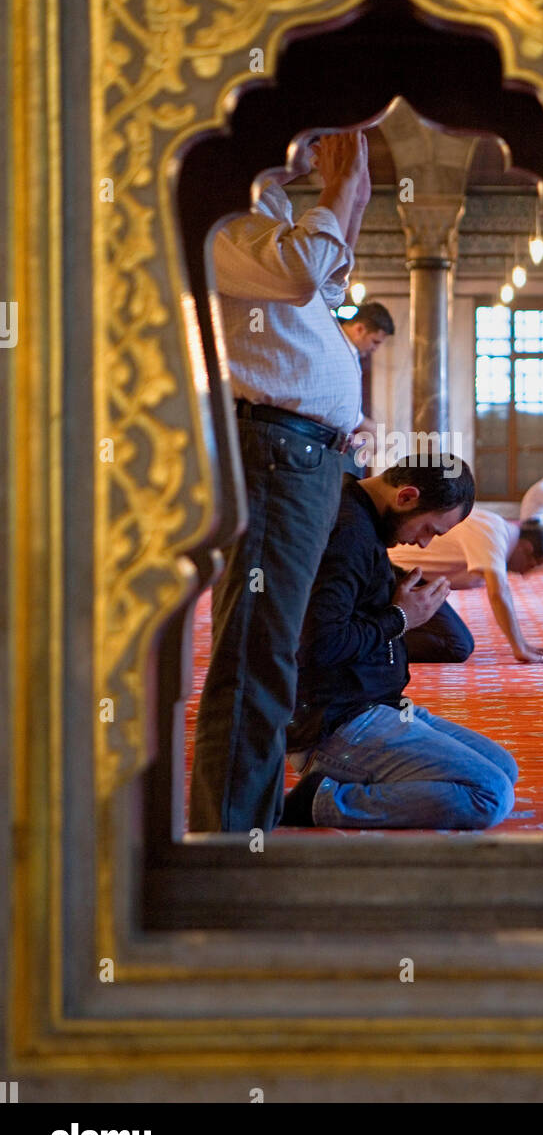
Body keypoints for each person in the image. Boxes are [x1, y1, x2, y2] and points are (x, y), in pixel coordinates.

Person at [189, 130, 371, 833]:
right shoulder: (216, 206)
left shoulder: (264, 205)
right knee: (255, 658)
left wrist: (349, 193)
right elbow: (302, 272)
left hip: (310, 457)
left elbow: (326, 282)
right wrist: (336, 189)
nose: (313, 146)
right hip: (275, 453)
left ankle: (251, 829)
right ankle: (231, 850)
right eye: (311, 131)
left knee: (278, 652)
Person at [282, 459, 518, 830]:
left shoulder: (362, 515)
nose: (423, 543)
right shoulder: (348, 536)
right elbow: (319, 645)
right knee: (489, 795)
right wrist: (401, 617)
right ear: (406, 496)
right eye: (429, 529)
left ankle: (370, 775)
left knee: (504, 768)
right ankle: (319, 801)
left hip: (377, 705)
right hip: (335, 724)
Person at [389, 505, 543, 664]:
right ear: (527, 549)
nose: (523, 574)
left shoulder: (498, 529)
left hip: (412, 576)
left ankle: (381, 634)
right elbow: (499, 592)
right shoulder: (494, 532)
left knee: (460, 642)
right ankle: (378, 643)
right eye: (530, 566)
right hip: (396, 572)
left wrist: (523, 643)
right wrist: (520, 647)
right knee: (455, 645)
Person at [338, 301, 396, 475]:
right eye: (375, 342)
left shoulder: (348, 352)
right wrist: (366, 425)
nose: (375, 349)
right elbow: (338, 403)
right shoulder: (338, 350)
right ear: (360, 329)